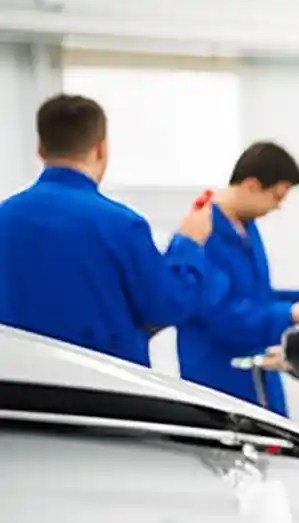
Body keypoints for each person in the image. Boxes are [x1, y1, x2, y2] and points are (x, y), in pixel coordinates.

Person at [0, 94, 221, 366]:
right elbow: (165, 306)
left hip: (17, 391)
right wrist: (188, 244)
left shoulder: (4, 218)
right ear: (101, 149)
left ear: (40, 148)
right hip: (103, 396)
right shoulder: (121, 225)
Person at [176, 141, 299, 416]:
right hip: (218, 378)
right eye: (277, 197)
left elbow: (256, 296)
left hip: (257, 374)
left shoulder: (245, 227)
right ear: (252, 186)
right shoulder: (202, 233)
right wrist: (295, 312)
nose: (277, 208)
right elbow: (224, 316)